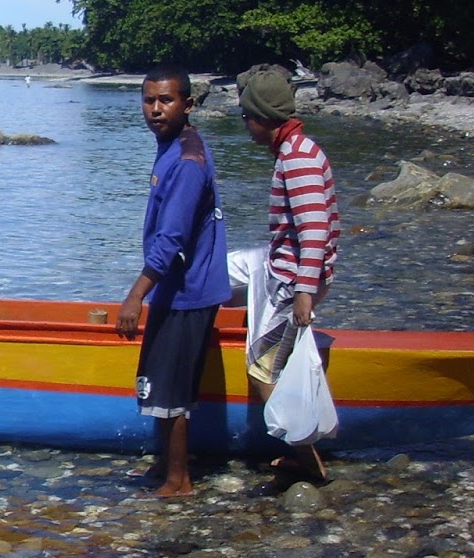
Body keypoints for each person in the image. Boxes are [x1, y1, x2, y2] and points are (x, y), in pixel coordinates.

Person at [116, 65, 230, 498]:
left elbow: (172, 239)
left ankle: (179, 481)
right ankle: (165, 465)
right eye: (149, 101)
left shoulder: (186, 160)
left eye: (166, 100)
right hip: (178, 287)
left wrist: (134, 297)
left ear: (188, 103)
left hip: (188, 291)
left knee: (172, 390)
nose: (156, 109)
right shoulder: (176, 145)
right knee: (162, 384)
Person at [233, 67, 341, 482]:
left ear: (262, 117)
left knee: (261, 367)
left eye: (246, 118)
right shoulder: (301, 150)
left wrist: (303, 293)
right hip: (288, 273)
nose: (245, 127)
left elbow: (314, 229)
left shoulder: (296, 159)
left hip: (291, 283)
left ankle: (307, 460)